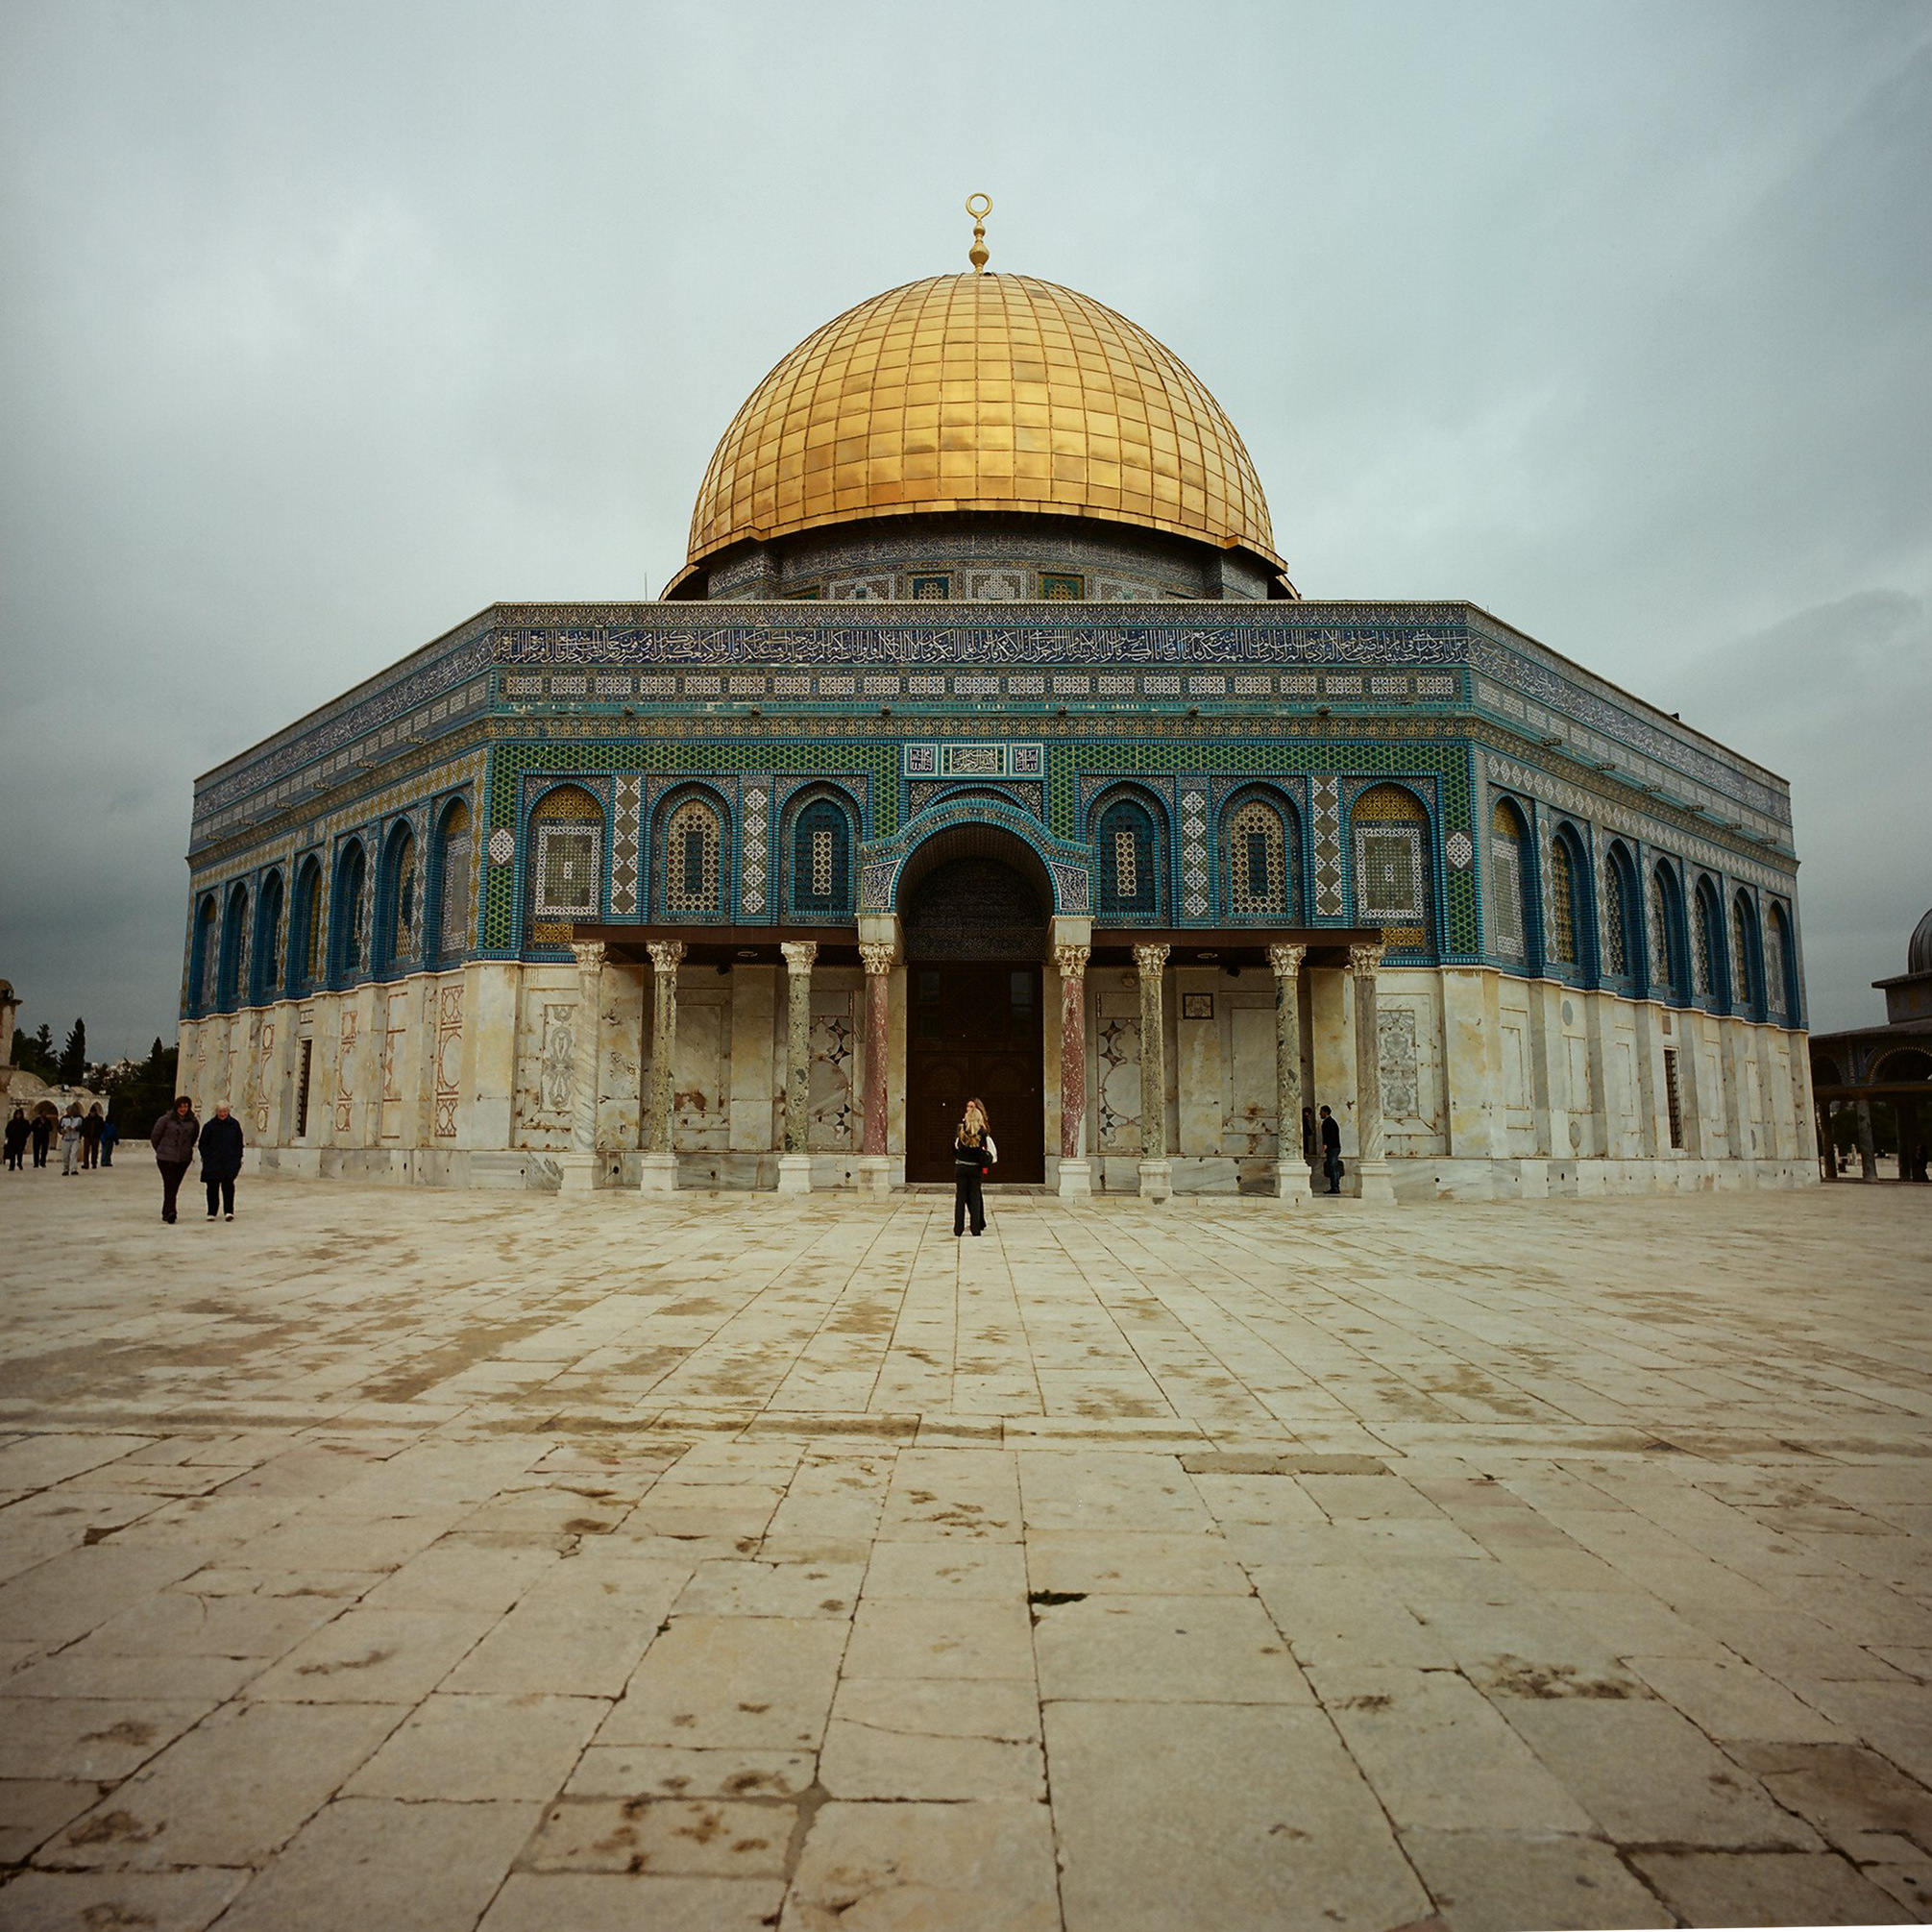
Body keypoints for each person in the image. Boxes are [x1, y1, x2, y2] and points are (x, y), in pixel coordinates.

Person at [151, 1096, 200, 1224]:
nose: (183, 1109)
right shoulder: (166, 1120)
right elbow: (155, 1137)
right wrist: (162, 1150)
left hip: (183, 1158)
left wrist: (185, 1150)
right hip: (166, 1158)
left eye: (186, 1106)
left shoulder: (193, 1121)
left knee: (174, 1185)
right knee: (170, 1183)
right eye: (181, 1106)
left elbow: (193, 1138)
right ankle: (171, 1211)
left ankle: (167, 1211)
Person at [952, 1098, 994, 1237]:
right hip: (975, 1168)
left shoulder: (961, 1130)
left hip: (961, 1167)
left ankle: (958, 1229)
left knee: (960, 1198)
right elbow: (981, 1150)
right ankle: (975, 1229)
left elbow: (955, 1149)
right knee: (975, 1197)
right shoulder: (981, 1133)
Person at [199, 1102, 244, 1222]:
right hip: (213, 1162)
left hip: (229, 1162)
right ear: (216, 1112)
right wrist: (206, 1158)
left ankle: (229, 1211)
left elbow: (239, 1143)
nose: (223, 1114)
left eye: (225, 1111)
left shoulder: (234, 1125)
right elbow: (203, 1143)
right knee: (212, 1188)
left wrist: (237, 1158)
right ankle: (211, 1212)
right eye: (220, 1111)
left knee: (228, 1187)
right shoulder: (209, 1126)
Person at [1318, 1105, 1343, 1196]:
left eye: (1321, 1112)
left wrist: (1326, 1144)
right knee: (1333, 1167)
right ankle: (1334, 1186)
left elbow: (1329, 1135)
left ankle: (1335, 1187)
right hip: (1334, 1147)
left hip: (1332, 1147)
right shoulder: (1331, 1122)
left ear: (1325, 1112)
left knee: (1333, 1167)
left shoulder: (1328, 1122)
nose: (1320, 1114)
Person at [58, 1104, 84, 1177]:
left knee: (73, 1154)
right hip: (66, 1139)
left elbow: (83, 1128)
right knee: (65, 1155)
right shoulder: (63, 1119)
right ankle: (65, 1169)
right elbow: (59, 1128)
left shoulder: (79, 1118)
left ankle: (73, 1169)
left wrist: (76, 1129)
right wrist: (63, 1130)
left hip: (75, 1138)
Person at [4, 1107, 27, 1172]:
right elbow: (7, 1130)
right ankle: (12, 1166)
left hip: (21, 1140)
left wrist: (24, 1136)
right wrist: (9, 1136)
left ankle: (19, 1163)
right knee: (12, 1153)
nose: (18, 1116)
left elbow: (27, 1130)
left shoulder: (24, 1122)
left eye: (20, 1114)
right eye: (17, 1114)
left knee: (20, 1152)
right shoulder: (11, 1122)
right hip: (12, 1140)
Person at [81, 1104, 104, 1170]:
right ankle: (86, 1164)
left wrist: (98, 1133)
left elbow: (102, 1127)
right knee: (86, 1150)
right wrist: (84, 1134)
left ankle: (94, 1163)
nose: (92, 1114)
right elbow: (83, 1127)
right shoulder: (87, 1119)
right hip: (87, 1137)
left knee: (95, 1150)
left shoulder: (99, 1119)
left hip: (95, 1137)